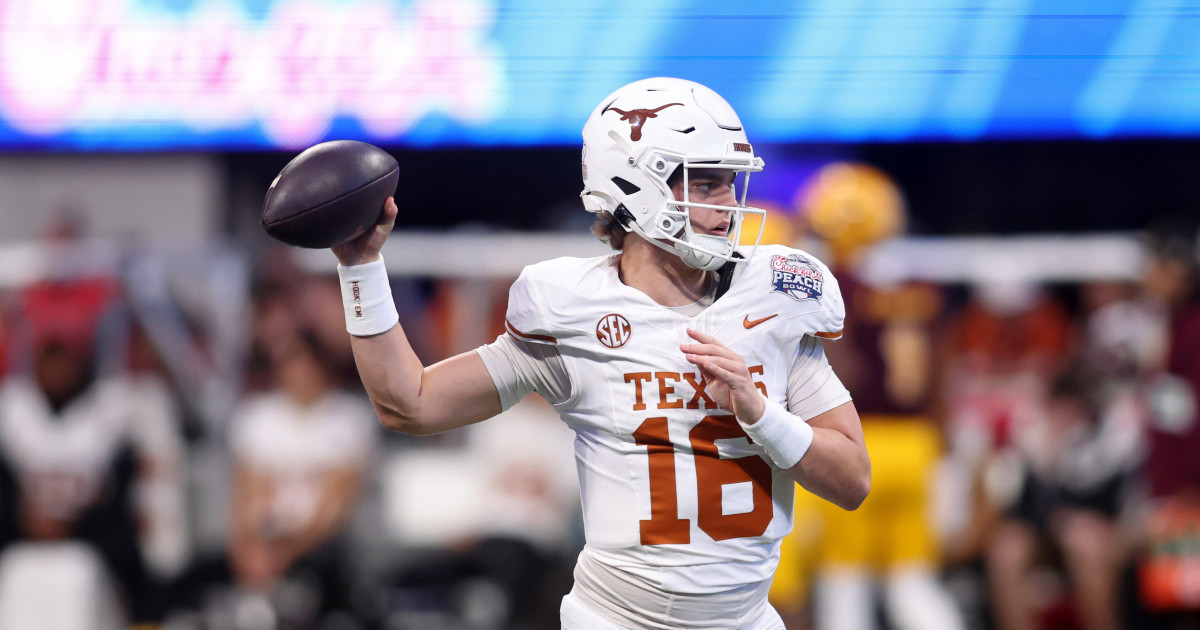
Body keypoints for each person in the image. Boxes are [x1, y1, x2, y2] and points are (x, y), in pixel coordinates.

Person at [330, 77, 870, 629]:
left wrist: (763, 417)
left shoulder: (776, 294)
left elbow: (853, 480)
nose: (728, 206)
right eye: (705, 185)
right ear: (635, 184)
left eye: (730, 184)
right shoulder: (571, 310)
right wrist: (360, 267)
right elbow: (410, 403)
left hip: (746, 620)